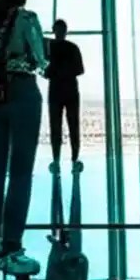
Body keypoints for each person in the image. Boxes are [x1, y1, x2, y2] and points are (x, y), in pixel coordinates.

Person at [0, 0, 47, 276]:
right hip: (22, 94)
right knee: (20, 173)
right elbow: (40, 60)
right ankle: (13, 246)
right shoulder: (27, 20)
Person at [45, 171, 88, 280]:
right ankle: (72, 177)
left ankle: (57, 177)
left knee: (59, 215)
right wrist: (76, 258)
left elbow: (50, 275)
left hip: (61, 255)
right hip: (71, 255)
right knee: (73, 216)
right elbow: (83, 272)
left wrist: (57, 252)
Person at [45, 19, 85, 172]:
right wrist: (66, 71)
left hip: (56, 90)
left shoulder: (50, 48)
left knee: (56, 125)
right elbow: (80, 69)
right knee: (72, 125)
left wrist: (55, 71)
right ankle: (74, 158)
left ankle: (56, 160)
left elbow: (45, 70)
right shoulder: (72, 48)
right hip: (70, 90)